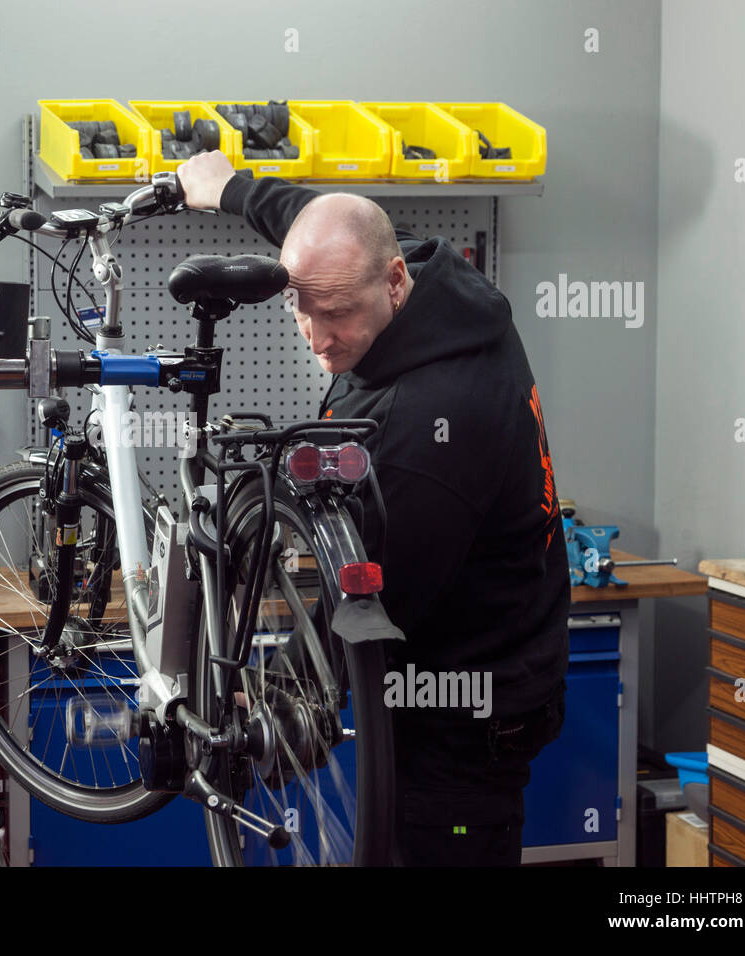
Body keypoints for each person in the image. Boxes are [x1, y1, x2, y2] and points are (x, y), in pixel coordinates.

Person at [178, 151, 570, 866]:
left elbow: (373, 616)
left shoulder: (432, 428)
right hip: (452, 662)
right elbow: (320, 225)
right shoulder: (424, 273)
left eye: (337, 315)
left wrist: (270, 700)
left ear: (392, 284)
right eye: (302, 309)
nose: (319, 338)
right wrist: (229, 188)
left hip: (466, 711)